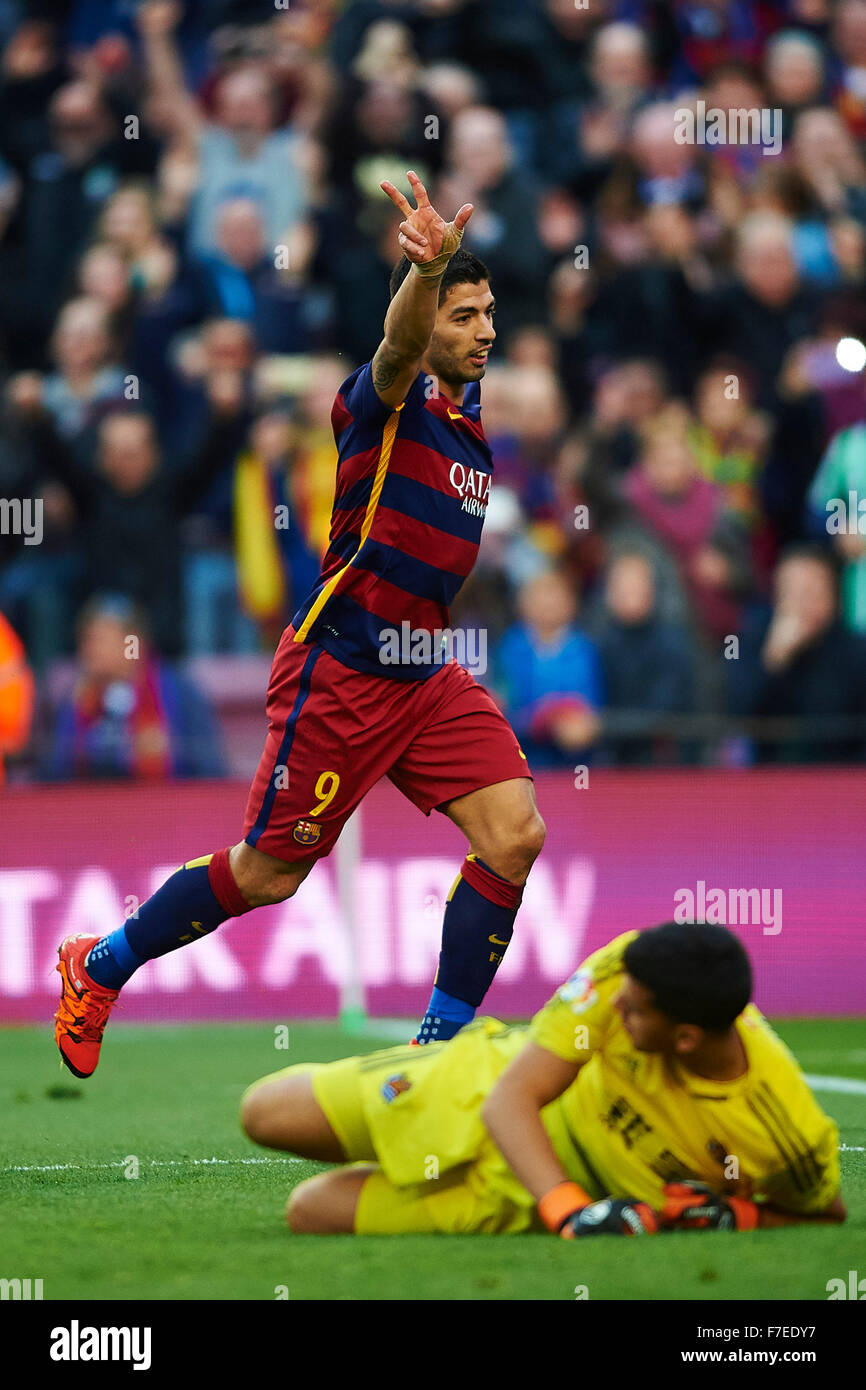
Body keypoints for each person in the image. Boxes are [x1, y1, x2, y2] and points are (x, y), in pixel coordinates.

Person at [54, 170, 545, 1078]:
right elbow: (399, 344)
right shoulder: (380, 405)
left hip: (426, 676)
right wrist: (425, 273)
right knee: (269, 875)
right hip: (344, 672)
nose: (483, 332)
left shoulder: (471, 424)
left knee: (516, 833)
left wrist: (450, 282)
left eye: (486, 315)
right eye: (463, 315)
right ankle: (103, 964)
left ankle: (435, 1062)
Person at [239, 922, 845, 1237]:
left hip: (522, 1193)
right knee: (265, 1113)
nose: (617, 1009)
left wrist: (739, 1217)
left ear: (685, 1037)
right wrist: (570, 1213)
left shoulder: (785, 1128)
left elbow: (827, 1215)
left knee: (308, 1213)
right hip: (491, 1086)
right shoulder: (629, 965)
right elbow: (513, 1099)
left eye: (633, 1012)